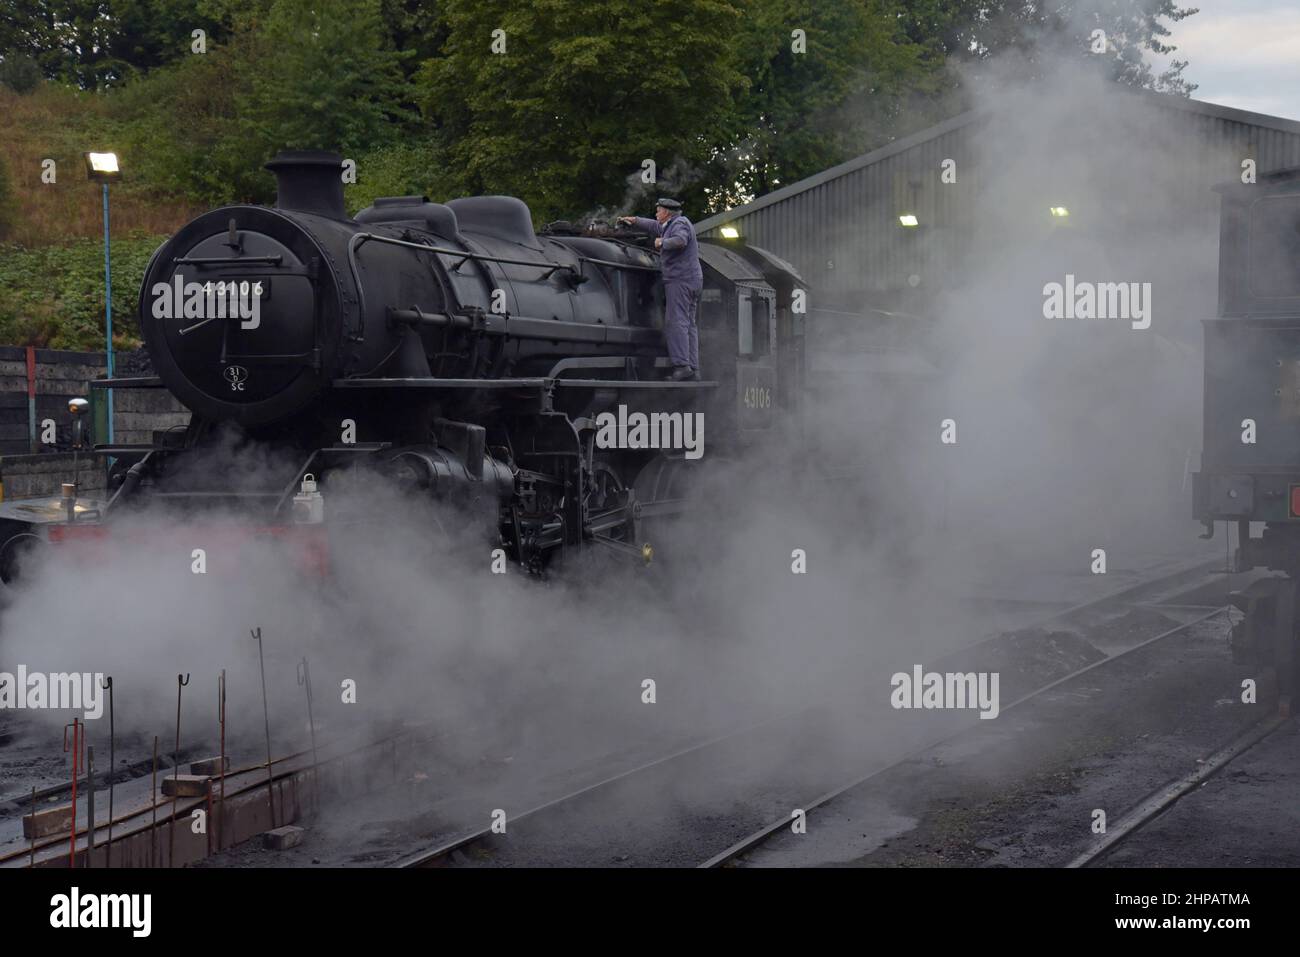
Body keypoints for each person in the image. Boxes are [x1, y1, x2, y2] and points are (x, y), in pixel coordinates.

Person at [619, 198, 702, 380]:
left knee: (676, 321)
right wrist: (635, 220)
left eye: (658, 211)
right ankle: (694, 369)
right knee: (689, 324)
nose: (656, 214)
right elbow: (654, 226)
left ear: (667, 212)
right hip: (690, 279)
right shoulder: (670, 224)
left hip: (681, 279)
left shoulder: (679, 223)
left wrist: (662, 243)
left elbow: (680, 241)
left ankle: (681, 366)